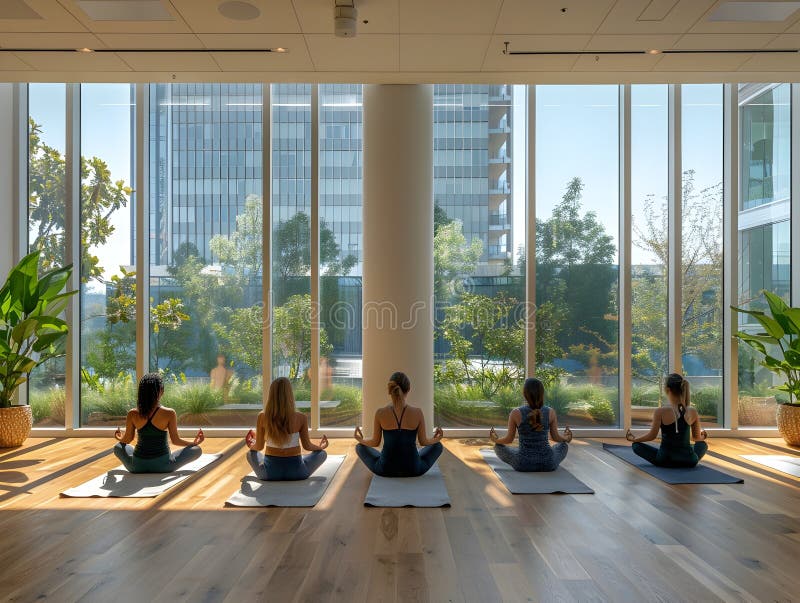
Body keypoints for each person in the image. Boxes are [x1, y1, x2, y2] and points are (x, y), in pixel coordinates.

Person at [354, 371, 443, 477]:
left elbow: (375, 442)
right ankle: (413, 458)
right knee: (437, 446)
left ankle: (386, 459)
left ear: (389, 390)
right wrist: (437, 438)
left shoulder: (380, 413)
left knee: (360, 447)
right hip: (414, 469)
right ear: (409, 389)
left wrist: (360, 439)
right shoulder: (417, 412)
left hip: (385, 470)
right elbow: (424, 442)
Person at [113, 373, 204, 473]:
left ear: (141, 392)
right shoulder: (169, 413)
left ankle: (142, 461)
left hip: (137, 467)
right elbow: (176, 441)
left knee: (118, 447)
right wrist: (194, 443)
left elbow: (127, 440)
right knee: (196, 449)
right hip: (163, 466)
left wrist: (119, 438)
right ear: (161, 391)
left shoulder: (132, 413)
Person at [244, 377, 329, 481]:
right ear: (290, 394)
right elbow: (307, 446)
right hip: (298, 473)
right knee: (322, 454)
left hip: (269, 475)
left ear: (271, 394)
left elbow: (259, 447)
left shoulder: (262, 416)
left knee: (250, 453)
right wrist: (320, 447)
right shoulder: (301, 417)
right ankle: (298, 463)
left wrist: (251, 445)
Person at [625, 373, 708, 468]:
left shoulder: (660, 411)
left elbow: (651, 436)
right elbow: (696, 438)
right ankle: (686, 456)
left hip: (665, 459)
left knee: (636, 446)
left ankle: (671, 458)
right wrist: (703, 436)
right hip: (689, 460)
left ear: (668, 389)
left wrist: (635, 439)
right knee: (702, 445)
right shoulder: (692, 411)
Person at [489, 377, 572, 472]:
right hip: (548, 463)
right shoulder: (550, 412)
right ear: (542, 393)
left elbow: (509, 440)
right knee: (564, 446)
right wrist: (566, 438)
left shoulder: (516, 413)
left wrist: (495, 439)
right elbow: (555, 438)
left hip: (523, 463)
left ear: (525, 394)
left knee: (498, 447)